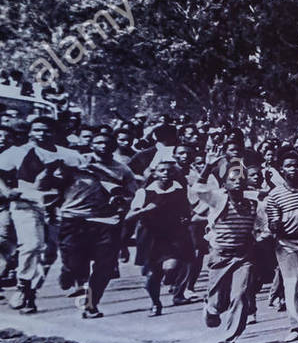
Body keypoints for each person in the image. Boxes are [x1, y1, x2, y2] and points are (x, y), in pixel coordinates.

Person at [46, 130, 135, 318]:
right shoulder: (76, 162)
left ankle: (90, 304)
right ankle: (69, 271)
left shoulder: (122, 169)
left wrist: (120, 204)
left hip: (105, 220)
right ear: (91, 145)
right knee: (76, 263)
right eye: (99, 143)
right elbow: (53, 183)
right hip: (74, 218)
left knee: (105, 266)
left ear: (114, 146)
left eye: (107, 143)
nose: (103, 146)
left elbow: (130, 194)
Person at [0, 116, 82, 312]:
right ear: (30, 132)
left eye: (46, 130)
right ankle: (25, 291)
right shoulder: (17, 152)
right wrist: (5, 191)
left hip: (56, 206)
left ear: (55, 132)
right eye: (37, 130)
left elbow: (81, 176)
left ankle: (30, 288)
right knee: (32, 245)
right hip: (25, 204)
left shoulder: (68, 154)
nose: (41, 134)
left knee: (49, 253)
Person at [192, 165, 258, 343]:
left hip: (243, 256)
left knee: (240, 296)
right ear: (225, 184)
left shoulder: (252, 204)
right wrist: (206, 168)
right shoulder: (218, 199)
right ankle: (210, 308)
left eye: (241, 180)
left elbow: (262, 226)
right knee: (218, 304)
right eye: (233, 179)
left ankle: (228, 340)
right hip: (220, 255)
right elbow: (198, 190)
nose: (237, 182)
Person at [124, 159, 193, 317]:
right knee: (152, 276)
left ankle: (171, 281)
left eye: (170, 171)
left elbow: (188, 210)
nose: (166, 174)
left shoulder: (180, 190)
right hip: (151, 237)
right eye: (162, 170)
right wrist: (144, 211)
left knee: (171, 267)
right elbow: (129, 217)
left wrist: (186, 218)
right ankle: (156, 303)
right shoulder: (144, 193)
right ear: (154, 173)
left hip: (174, 235)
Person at [263, 152, 298, 342]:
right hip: (286, 244)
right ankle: (294, 326)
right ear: (282, 169)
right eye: (289, 166)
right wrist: (275, 225)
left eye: (297, 165)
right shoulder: (275, 194)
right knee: (291, 282)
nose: (293, 169)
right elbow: (272, 220)